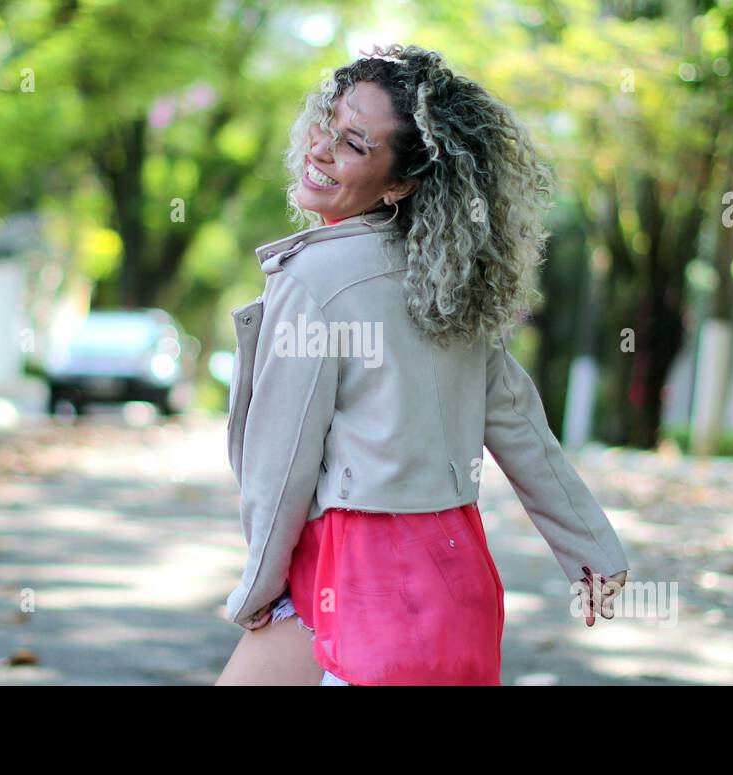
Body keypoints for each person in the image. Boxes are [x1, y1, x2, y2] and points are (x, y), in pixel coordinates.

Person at [214, 44, 629, 686]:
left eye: (353, 144)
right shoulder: (449, 282)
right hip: (451, 579)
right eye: (326, 122)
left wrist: (256, 590)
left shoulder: (312, 281)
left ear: (402, 182)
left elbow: (281, 465)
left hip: (353, 577)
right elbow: (519, 425)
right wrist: (592, 549)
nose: (320, 149)